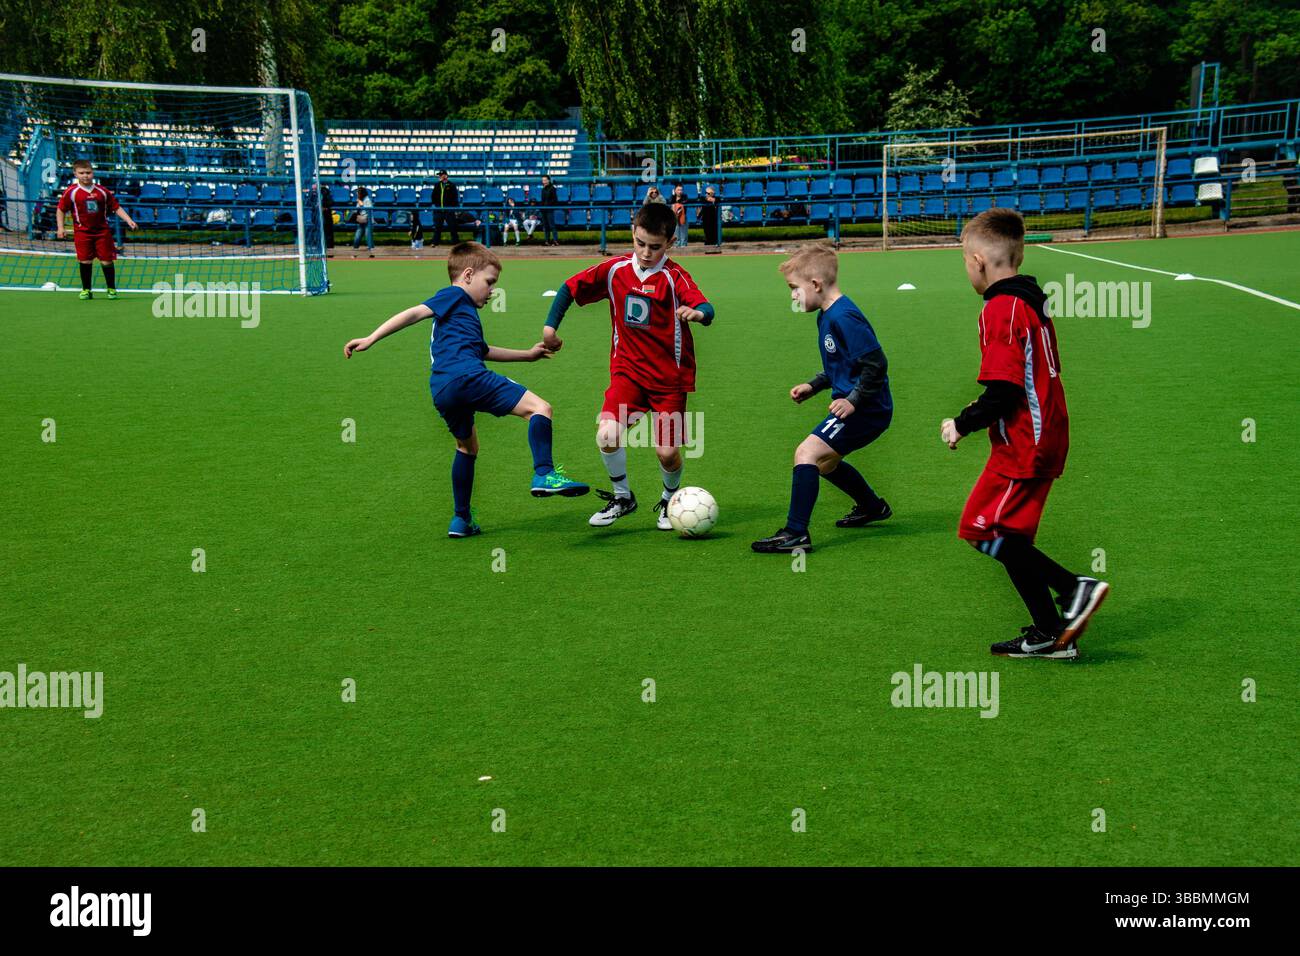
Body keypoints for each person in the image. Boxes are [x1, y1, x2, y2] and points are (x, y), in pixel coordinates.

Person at [940, 208, 1108, 659]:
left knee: (980, 528)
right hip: (1044, 433)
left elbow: (1005, 389)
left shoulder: (1001, 308)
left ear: (977, 260)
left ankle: (1075, 589)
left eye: (963, 259)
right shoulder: (1029, 298)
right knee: (1011, 538)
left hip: (1024, 444)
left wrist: (962, 422)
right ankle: (1051, 634)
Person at [343, 241, 590, 538]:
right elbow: (414, 313)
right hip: (468, 377)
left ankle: (461, 519)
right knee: (540, 409)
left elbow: (482, 350)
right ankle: (544, 473)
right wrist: (372, 338)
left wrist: (527, 354)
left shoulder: (462, 315)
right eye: (490, 282)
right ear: (468, 275)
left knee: (467, 447)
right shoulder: (453, 295)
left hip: (443, 389)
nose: (493, 290)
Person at [542, 202, 715, 530]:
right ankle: (623, 497)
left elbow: (704, 305)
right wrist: (551, 328)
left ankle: (669, 500)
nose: (646, 252)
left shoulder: (674, 276)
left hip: (669, 381)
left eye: (655, 246)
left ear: (670, 243)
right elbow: (569, 288)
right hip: (628, 373)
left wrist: (699, 314)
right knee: (606, 435)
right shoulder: (615, 270)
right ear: (632, 235)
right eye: (640, 243)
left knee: (666, 453)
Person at [752, 246, 893, 553]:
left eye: (794, 288)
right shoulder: (827, 316)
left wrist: (853, 400)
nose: (792, 296)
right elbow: (842, 364)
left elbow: (876, 365)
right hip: (861, 405)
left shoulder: (845, 317)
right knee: (827, 463)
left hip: (868, 408)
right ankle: (872, 507)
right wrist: (813, 385)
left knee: (807, 453)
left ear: (815, 285)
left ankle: (795, 532)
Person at [56, 160, 137, 300]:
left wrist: (128, 220)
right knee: (85, 261)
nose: (85, 176)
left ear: (93, 173)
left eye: (88, 172)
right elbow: (61, 209)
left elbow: (116, 207)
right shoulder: (71, 192)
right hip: (82, 233)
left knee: (106, 260)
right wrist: (61, 227)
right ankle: (86, 290)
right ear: (75, 174)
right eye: (81, 173)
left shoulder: (102, 191)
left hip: (102, 232)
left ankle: (111, 289)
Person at [433, 169, 459, 246]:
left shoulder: (452, 185)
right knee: (437, 227)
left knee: (452, 227)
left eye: (441, 175)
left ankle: (456, 243)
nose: (440, 176)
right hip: (439, 209)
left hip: (449, 209)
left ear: (446, 176)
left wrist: (453, 207)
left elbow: (455, 197)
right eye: (439, 175)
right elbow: (433, 196)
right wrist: (437, 204)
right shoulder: (437, 185)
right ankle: (435, 242)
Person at [351, 186, 374, 256]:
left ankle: (372, 253)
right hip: (361, 221)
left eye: (358, 193)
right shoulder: (359, 199)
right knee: (357, 237)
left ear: (362, 193)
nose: (357, 194)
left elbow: (369, 210)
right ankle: (355, 253)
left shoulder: (367, 199)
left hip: (368, 221)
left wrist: (362, 205)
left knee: (368, 237)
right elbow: (356, 210)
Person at [697, 185, 721, 251]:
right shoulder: (703, 198)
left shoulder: (716, 198)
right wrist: (709, 200)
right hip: (706, 218)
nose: (706, 194)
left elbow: (718, 200)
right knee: (707, 231)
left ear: (713, 193)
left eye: (709, 193)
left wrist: (713, 200)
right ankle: (708, 246)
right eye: (706, 193)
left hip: (714, 218)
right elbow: (702, 200)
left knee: (714, 231)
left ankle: (715, 245)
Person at [539, 174, 559, 246]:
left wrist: (548, 205)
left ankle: (555, 241)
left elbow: (555, 200)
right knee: (546, 226)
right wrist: (541, 207)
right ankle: (547, 241)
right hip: (544, 210)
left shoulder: (552, 188)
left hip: (549, 209)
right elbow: (542, 200)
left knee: (552, 225)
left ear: (548, 180)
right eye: (543, 180)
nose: (544, 181)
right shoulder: (543, 189)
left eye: (545, 180)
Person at [320, 184, 335, 253]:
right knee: (327, 233)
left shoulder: (326, 193)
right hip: (322, 216)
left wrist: (325, 207)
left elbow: (331, 202)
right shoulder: (316, 193)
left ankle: (328, 250)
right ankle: (328, 250)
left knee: (327, 233)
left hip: (326, 215)